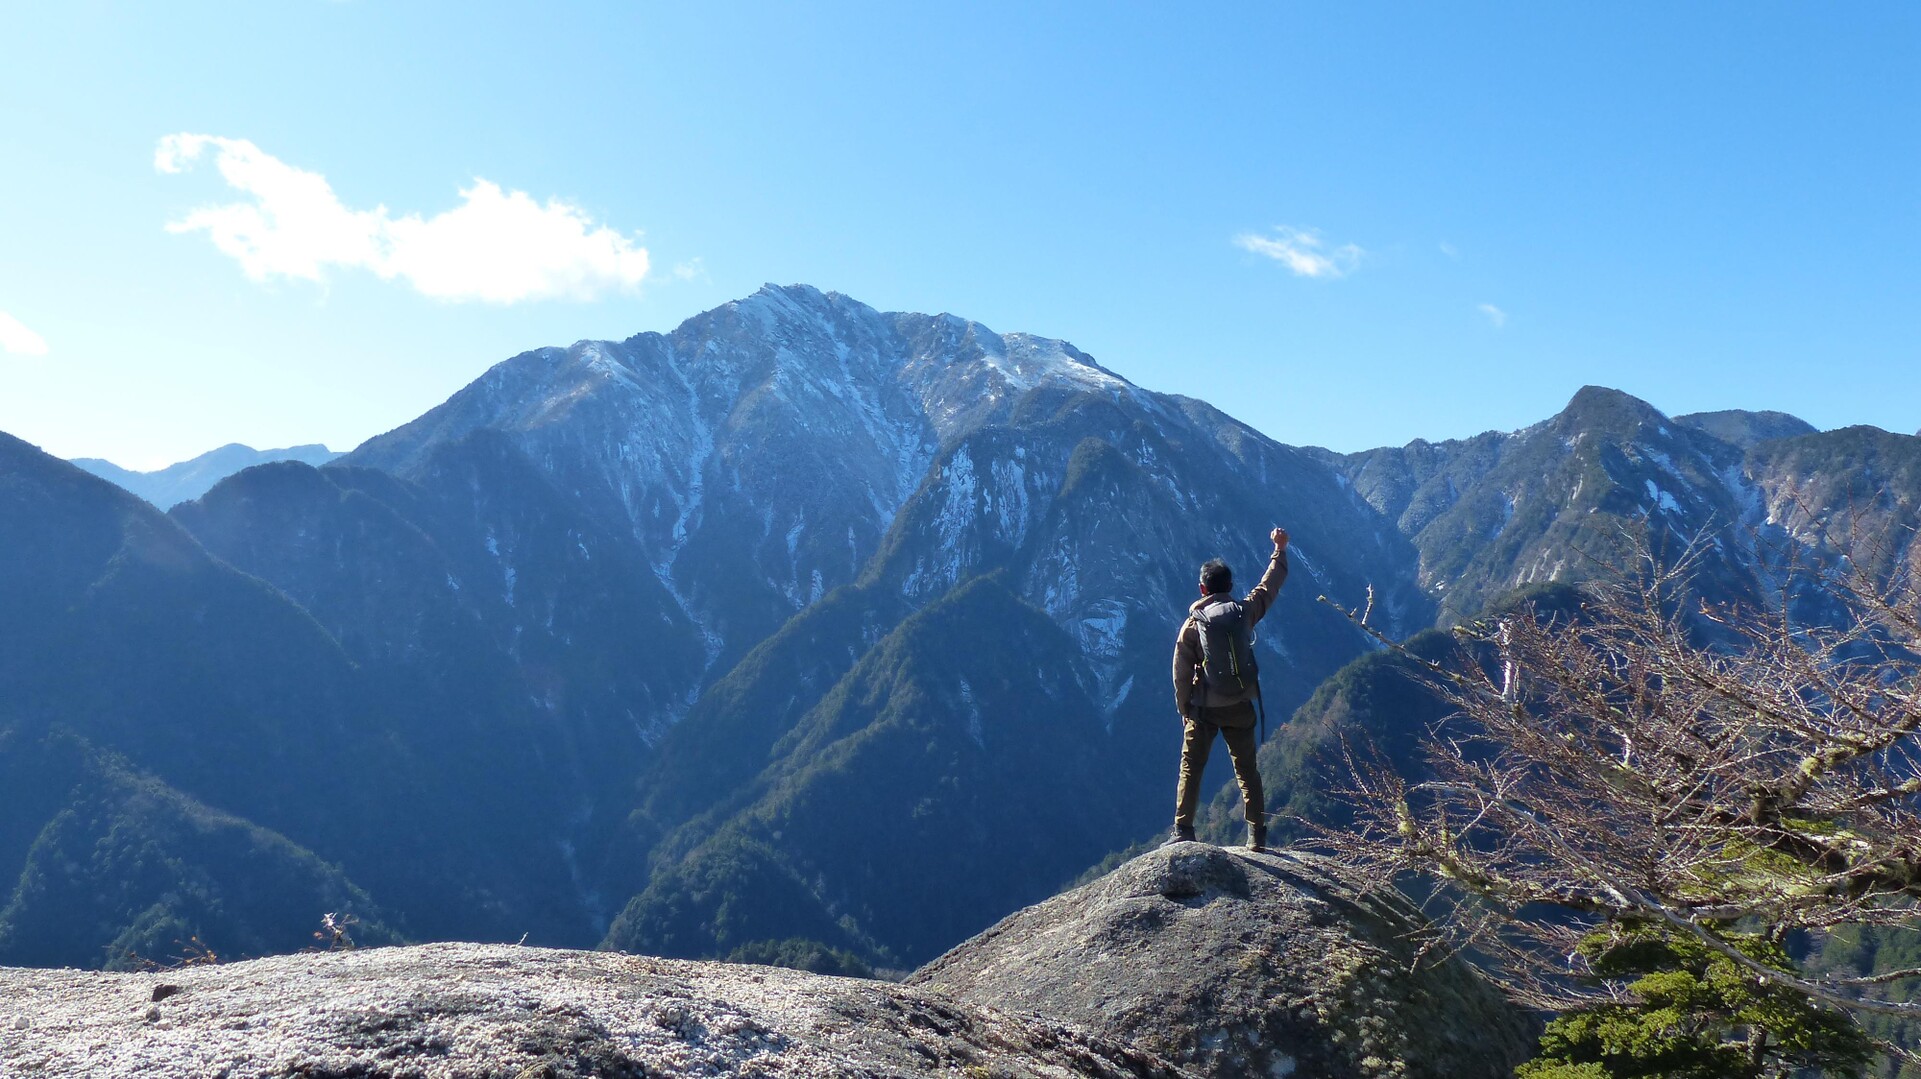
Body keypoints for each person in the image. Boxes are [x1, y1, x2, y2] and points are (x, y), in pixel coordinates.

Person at [1170, 526, 1289, 851]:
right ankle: (1256, 834)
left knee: (1192, 768)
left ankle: (1183, 830)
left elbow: (1181, 673)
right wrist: (1279, 549)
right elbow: (1270, 586)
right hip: (1240, 704)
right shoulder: (1243, 613)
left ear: (1202, 587)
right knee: (1247, 769)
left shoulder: (1195, 625)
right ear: (1230, 586)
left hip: (1204, 709)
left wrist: (1185, 710)